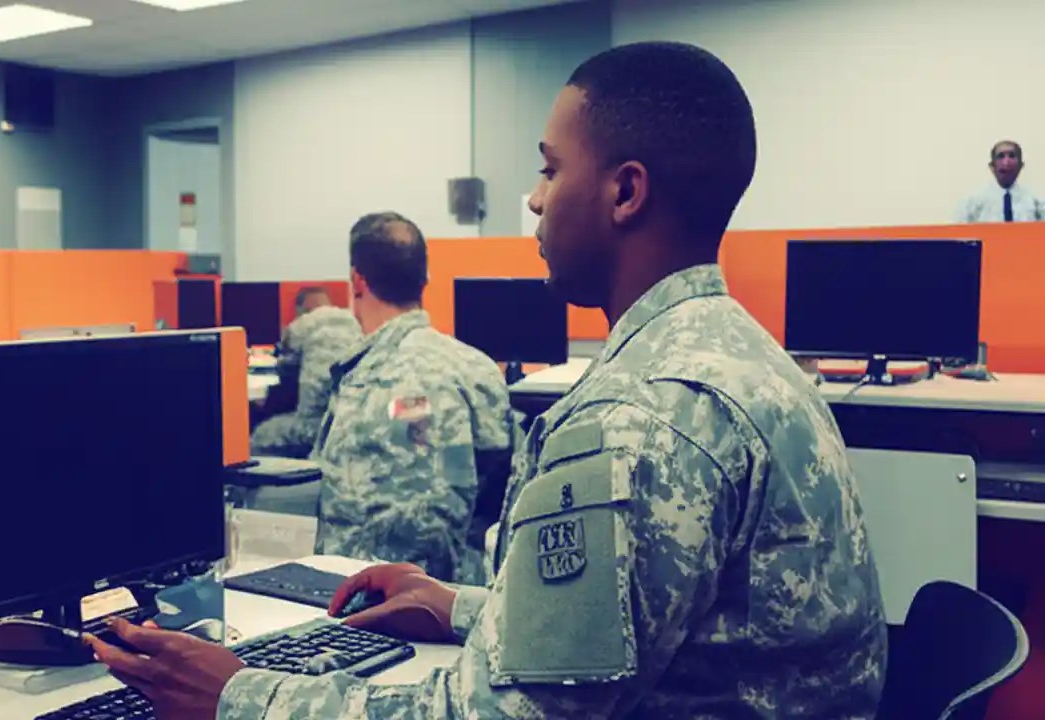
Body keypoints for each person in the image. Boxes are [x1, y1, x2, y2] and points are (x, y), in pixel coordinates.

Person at [88, 42, 888, 719]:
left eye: (549, 170)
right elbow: (641, 631)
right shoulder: (741, 353)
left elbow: (498, 716)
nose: (535, 200)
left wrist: (239, 695)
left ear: (625, 192)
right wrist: (460, 605)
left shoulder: (636, 418)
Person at [303, 211, 512, 584]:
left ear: (357, 281)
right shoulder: (478, 368)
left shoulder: (361, 381)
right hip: (462, 597)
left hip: (358, 601)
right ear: (425, 280)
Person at [250, 286, 362, 458]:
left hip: (313, 427)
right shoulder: (356, 325)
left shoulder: (300, 326)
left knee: (259, 434)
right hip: (347, 424)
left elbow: (285, 376)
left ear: (301, 310)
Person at [957, 140, 1045, 223]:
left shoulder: (1036, 200)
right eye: (1000, 156)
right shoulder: (973, 201)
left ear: (1021, 165)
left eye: (1012, 155)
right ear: (992, 166)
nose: (1006, 162)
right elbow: (957, 233)